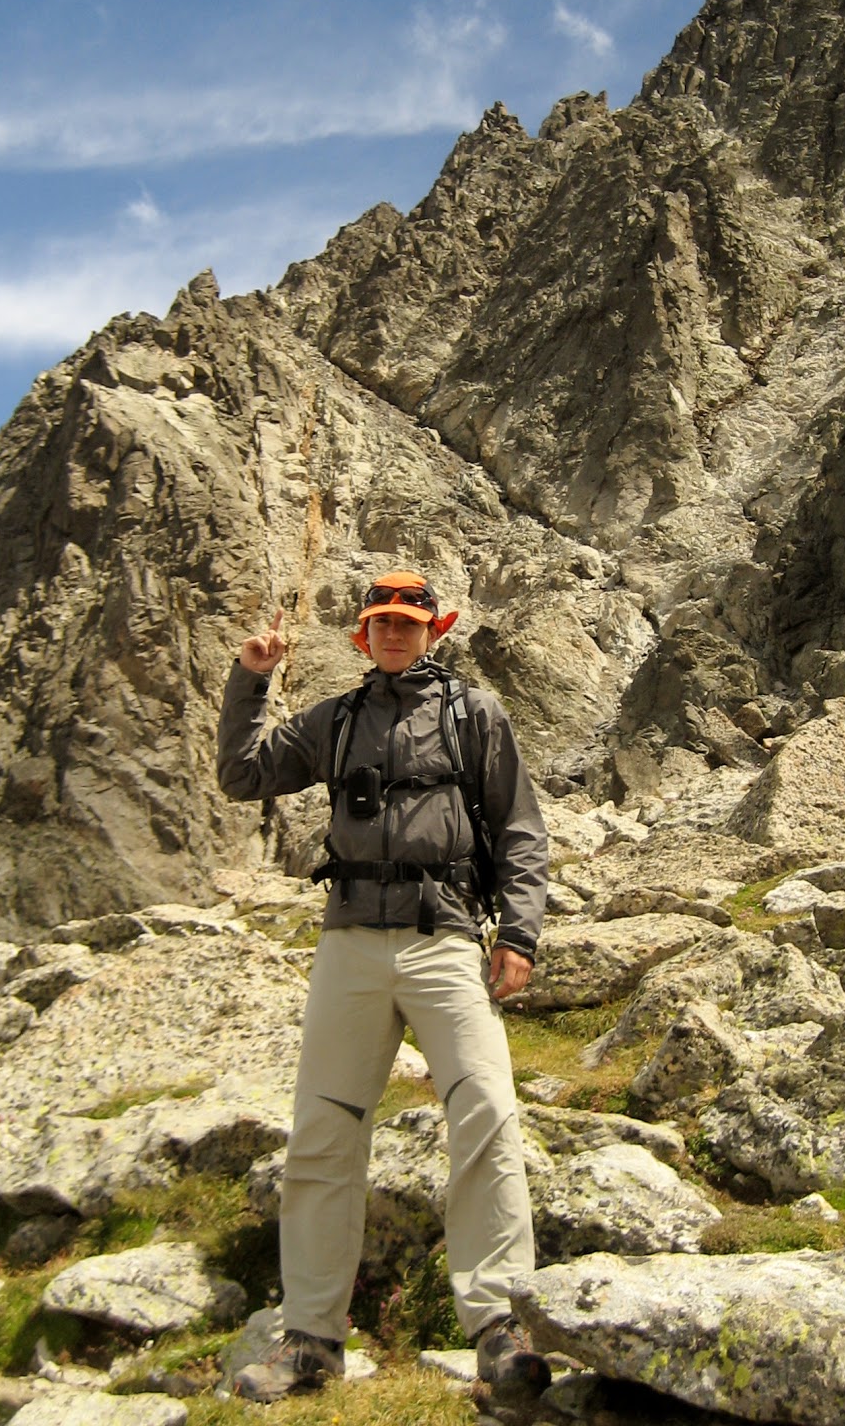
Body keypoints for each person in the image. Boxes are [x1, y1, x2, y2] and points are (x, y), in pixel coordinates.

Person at [216, 569, 551, 1403]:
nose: (393, 633)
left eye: (408, 621)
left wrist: (518, 933)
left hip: (444, 937)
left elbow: (518, 828)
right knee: (323, 1131)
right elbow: (242, 774)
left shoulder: (477, 716)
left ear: (435, 627)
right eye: (380, 622)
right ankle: (310, 1341)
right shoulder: (333, 720)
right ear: (362, 634)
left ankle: (499, 1330)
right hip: (350, 942)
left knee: (485, 1110)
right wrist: (251, 680)